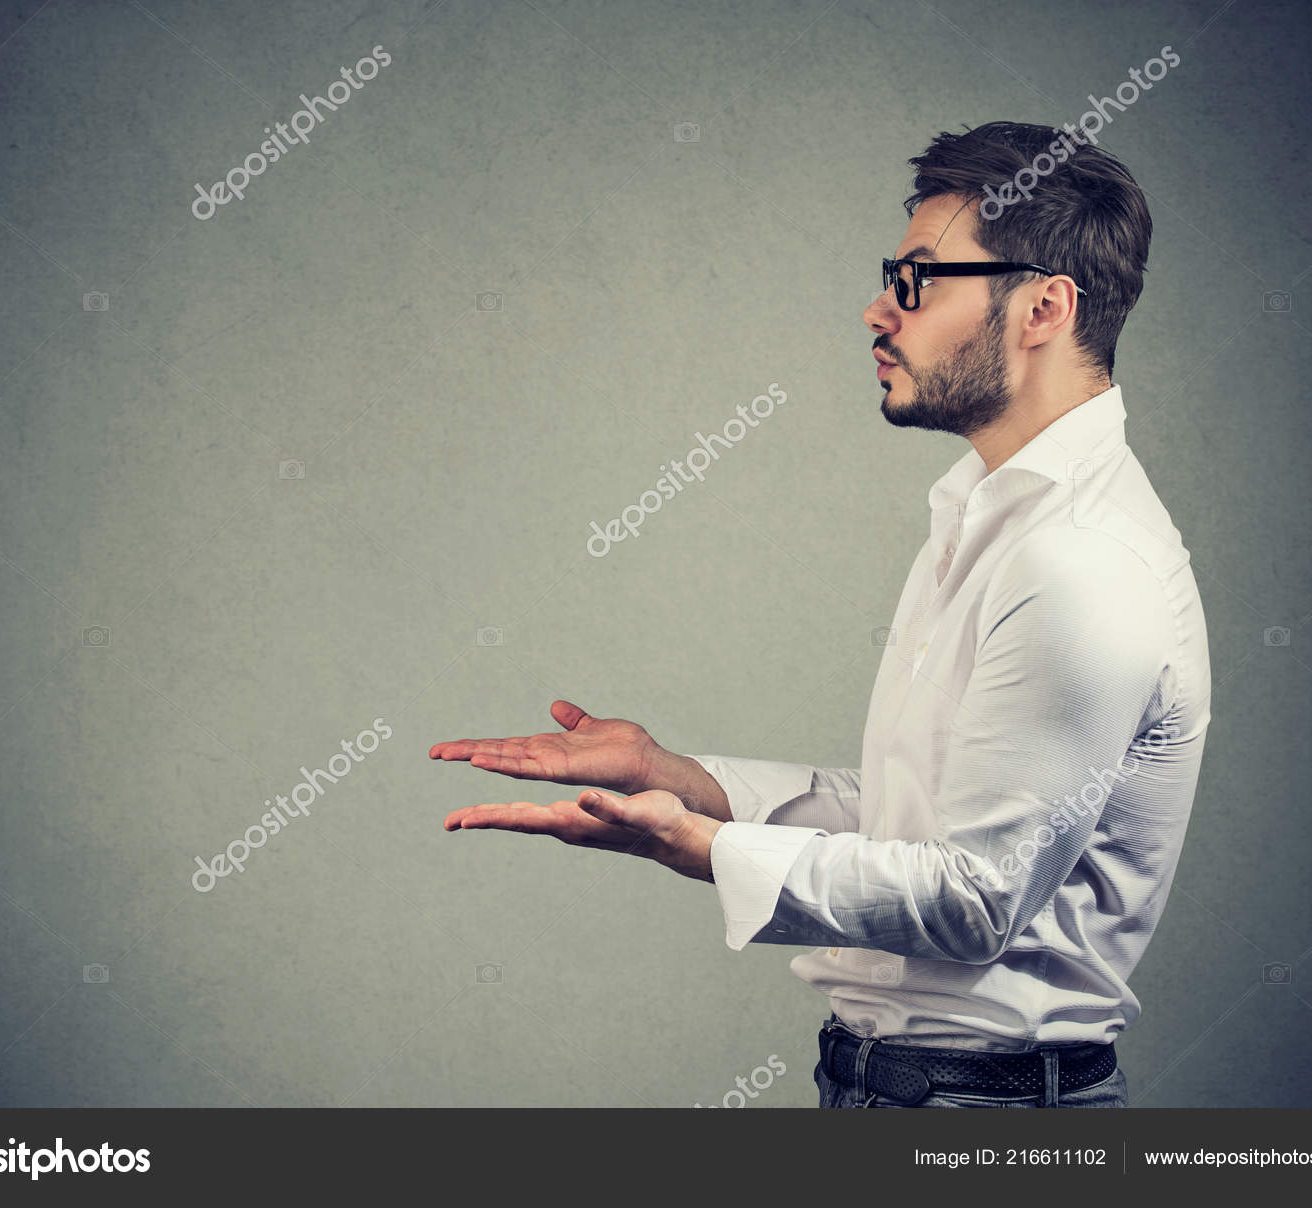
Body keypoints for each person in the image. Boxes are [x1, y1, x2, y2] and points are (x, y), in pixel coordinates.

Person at [434, 121, 1210, 1109]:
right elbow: (922, 817)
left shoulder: (1078, 558)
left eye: (918, 281)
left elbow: (975, 897)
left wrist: (701, 844)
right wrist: (673, 777)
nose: (876, 311)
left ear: (1044, 307)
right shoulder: (993, 514)